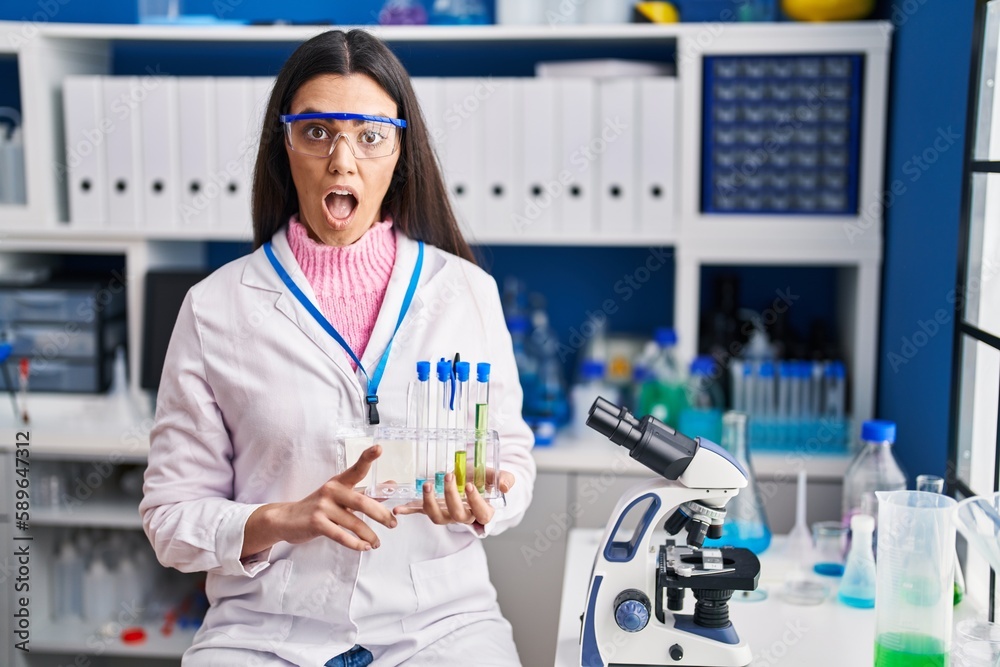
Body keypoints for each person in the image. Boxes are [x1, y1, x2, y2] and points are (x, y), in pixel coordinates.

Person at [140, 28, 536, 667]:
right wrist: (280, 519)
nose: (342, 161)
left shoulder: (467, 292)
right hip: (264, 631)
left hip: (442, 626)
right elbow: (170, 516)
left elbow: (513, 457)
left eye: (370, 135)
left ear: (400, 153)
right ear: (284, 146)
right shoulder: (214, 309)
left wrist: (489, 499)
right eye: (317, 131)